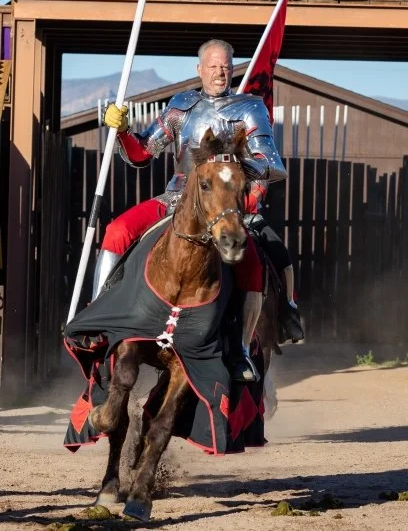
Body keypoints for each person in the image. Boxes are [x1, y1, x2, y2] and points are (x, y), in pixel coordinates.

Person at [95, 39, 303, 382]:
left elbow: (274, 165)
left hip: (226, 204)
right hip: (177, 199)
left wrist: (234, 167)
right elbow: (142, 153)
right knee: (116, 231)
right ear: (199, 70)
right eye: (213, 66)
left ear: (232, 69)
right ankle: (100, 317)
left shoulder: (250, 108)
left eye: (225, 66)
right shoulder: (182, 106)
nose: (219, 72)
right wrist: (122, 132)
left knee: (252, 263)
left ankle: (238, 351)